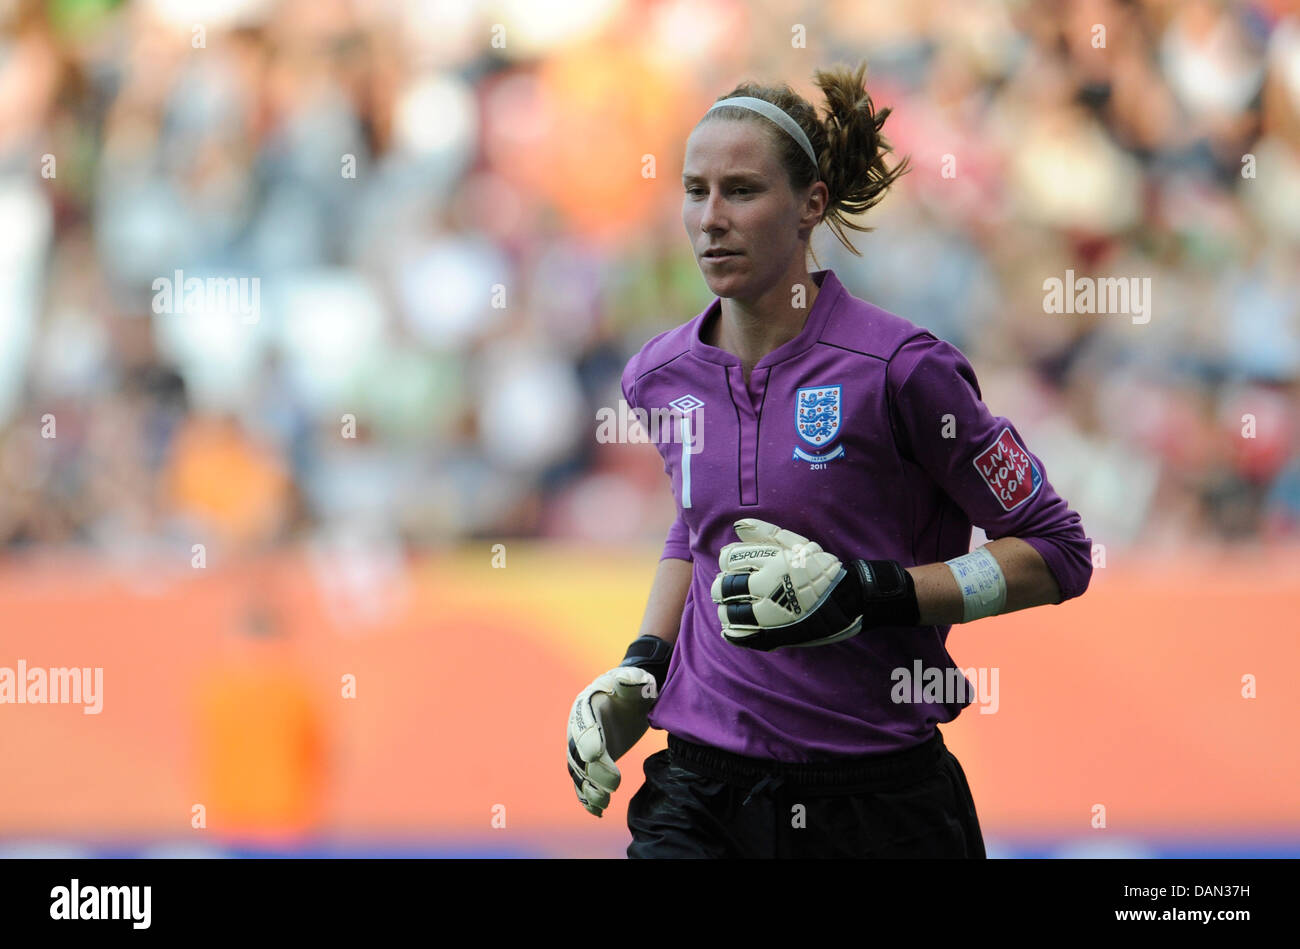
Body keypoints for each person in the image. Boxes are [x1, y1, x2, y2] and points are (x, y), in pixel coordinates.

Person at [566, 61, 1093, 858]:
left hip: (880, 799)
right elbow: (696, 530)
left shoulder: (906, 369)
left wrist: (871, 594)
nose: (711, 218)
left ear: (811, 204)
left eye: (741, 191)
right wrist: (643, 662)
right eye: (694, 190)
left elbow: (1058, 554)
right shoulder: (657, 376)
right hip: (701, 792)